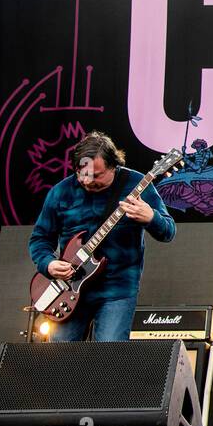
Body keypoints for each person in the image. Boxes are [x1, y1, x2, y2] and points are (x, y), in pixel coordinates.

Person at [28, 131, 176, 341]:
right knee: (58, 362)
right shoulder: (61, 192)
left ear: (114, 165)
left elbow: (168, 232)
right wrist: (49, 264)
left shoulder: (136, 185)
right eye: (82, 174)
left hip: (117, 291)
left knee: (107, 360)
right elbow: (40, 239)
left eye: (96, 175)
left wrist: (151, 217)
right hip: (67, 289)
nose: (88, 181)